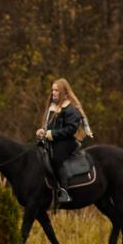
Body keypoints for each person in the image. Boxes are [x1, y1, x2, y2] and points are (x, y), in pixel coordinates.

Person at [37, 77, 91, 206]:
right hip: (54, 140)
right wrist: (42, 131)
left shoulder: (70, 109)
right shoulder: (52, 107)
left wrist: (53, 134)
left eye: (56, 90)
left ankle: (64, 191)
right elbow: (48, 127)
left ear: (63, 92)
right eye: (52, 90)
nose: (53, 93)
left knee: (56, 158)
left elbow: (71, 129)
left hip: (67, 142)